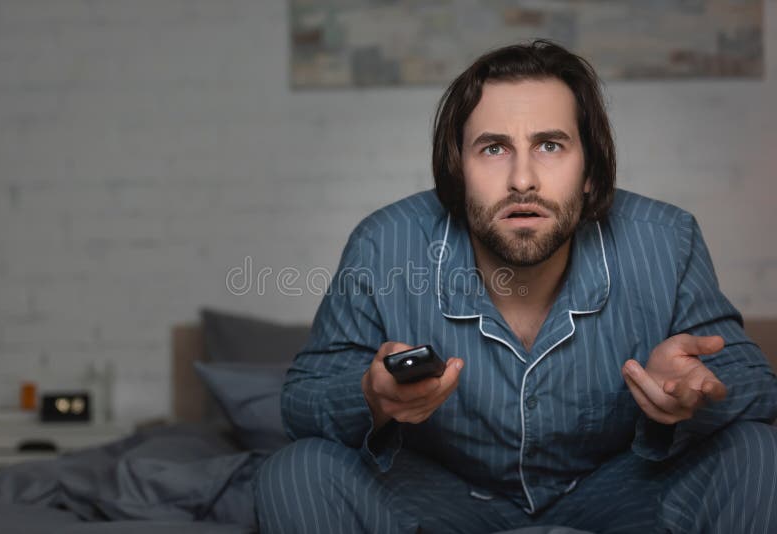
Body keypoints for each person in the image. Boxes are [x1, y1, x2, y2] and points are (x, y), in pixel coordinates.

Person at [254, 40, 777, 534]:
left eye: (550, 145)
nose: (522, 179)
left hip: (616, 493)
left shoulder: (667, 240)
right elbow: (302, 400)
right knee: (295, 472)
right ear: (457, 171)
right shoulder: (382, 244)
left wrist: (694, 391)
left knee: (757, 451)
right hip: (448, 501)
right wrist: (370, 397)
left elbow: (755, 384)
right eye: (493, 148)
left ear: (591, 170)